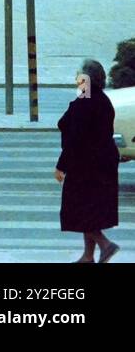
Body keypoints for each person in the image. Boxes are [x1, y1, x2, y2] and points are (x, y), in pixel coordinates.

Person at [56, 59, 121, 263]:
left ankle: (105, 245)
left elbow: (76, 137)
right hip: (103, 163)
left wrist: (61, 166)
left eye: (80, 76)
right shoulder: (100, 99)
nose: (76, 79)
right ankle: (88, 255)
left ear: (87, 79)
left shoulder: (85, 103)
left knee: (79, 209)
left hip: (86, 165)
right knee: (91, 209)